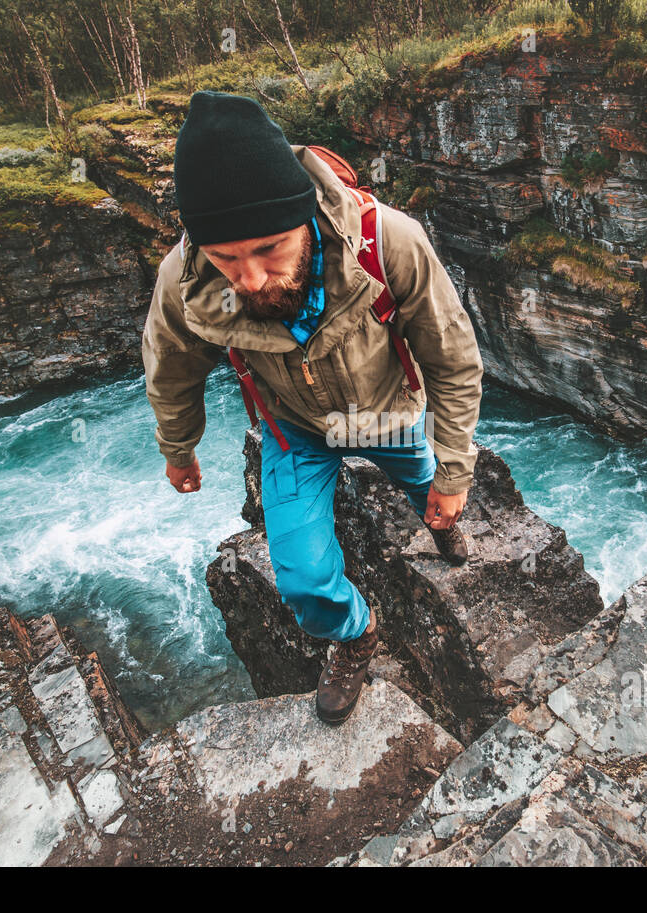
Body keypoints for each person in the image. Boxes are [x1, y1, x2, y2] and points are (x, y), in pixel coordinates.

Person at [142, 90, 483, 724]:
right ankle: (354, 633)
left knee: (432, 491)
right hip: (293, 428)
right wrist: (178, 446)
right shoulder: (186, 279)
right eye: (226, 257)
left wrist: (456, 470)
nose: (247, 279)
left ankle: (440, 524)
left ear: (306, 216)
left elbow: (453, 358)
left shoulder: (389, 243)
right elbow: (172, 362)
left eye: (270, 249)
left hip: (387, 413)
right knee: (299, 577)